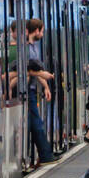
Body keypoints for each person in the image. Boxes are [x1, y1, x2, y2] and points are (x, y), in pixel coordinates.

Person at [24, 18, 55, 165]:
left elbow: (36, 71)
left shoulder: (33, 47)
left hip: (31, 88)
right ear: (36, 30)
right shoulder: (27, 48)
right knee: (36, 123)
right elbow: (31, 71)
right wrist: (44, 76)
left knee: (35, 122)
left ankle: (45, 154)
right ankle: (45, 155)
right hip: (26, 89)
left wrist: (46, 86)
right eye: (41, 31)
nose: (42, 34)